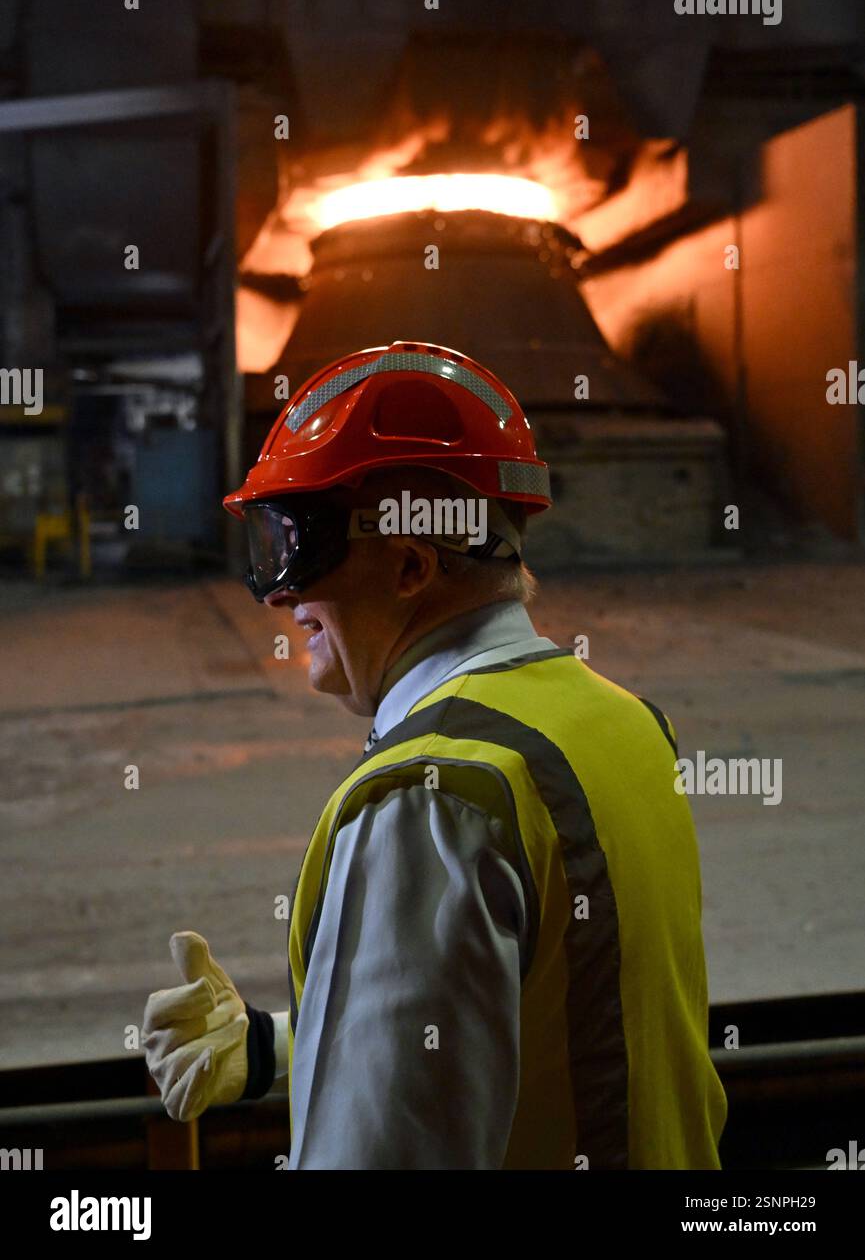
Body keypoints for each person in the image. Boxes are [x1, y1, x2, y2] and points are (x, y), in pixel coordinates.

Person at [143, 340, 727, 1169]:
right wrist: (284, 1048)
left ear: (412, 562)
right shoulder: (625, 726)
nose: (280, 593)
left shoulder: (429, 796)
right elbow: (554, 1015)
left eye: (296, 546)